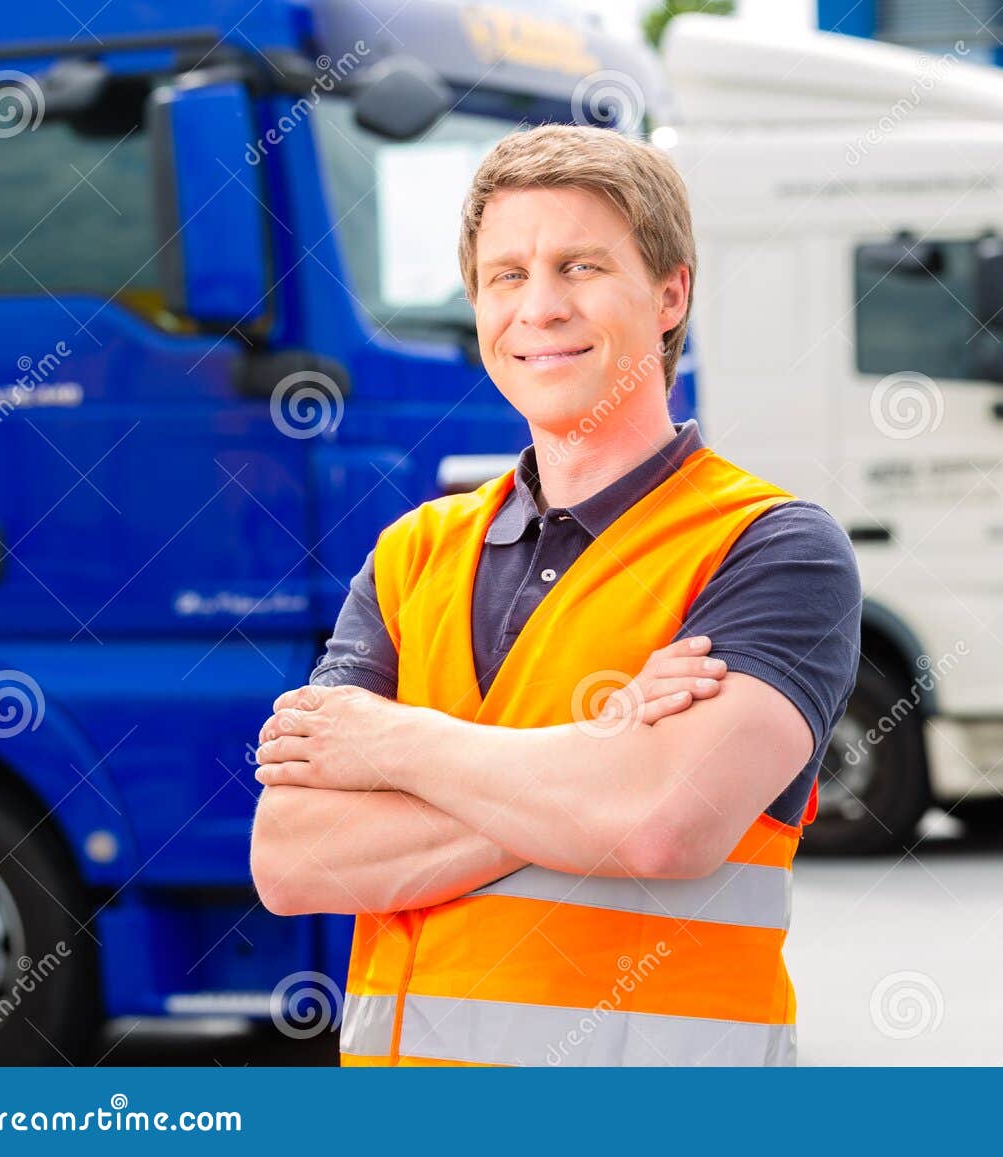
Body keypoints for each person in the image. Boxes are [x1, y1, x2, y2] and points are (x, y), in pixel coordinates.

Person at [248, 123, 862, 1067]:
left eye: (579, 267)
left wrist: (394, 746)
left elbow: (663, 826)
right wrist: (599, 760)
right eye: (506, 275)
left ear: (670, 293)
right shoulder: (414, 555)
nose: (539, 308)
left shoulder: (771, 548)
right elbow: (292, 858)